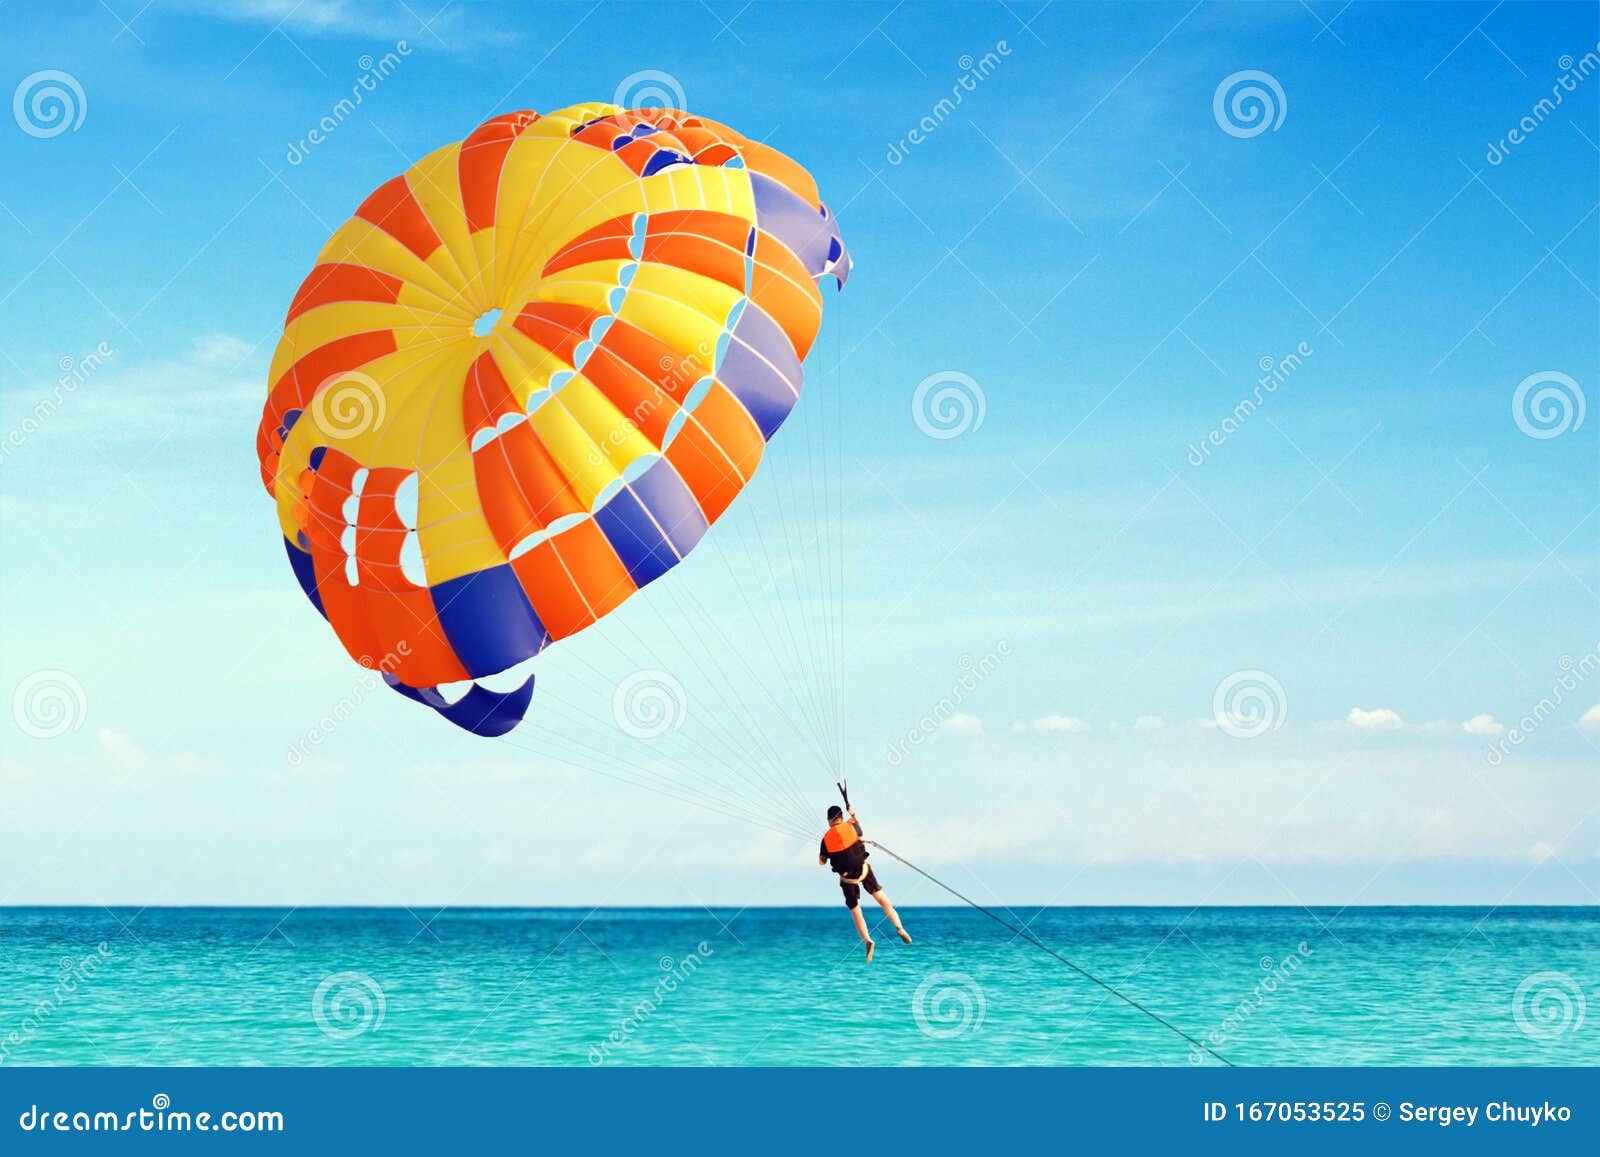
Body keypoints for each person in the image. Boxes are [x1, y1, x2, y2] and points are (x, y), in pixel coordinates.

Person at [818, 804, 911, 961]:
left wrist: (824, 854)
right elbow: (857, 826)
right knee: (882, 899)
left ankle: (868, 941)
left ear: (828, 821)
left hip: (848, 879)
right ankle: (899, 927)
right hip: (864, 871)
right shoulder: (851, 826)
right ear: (841, 817)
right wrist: (852, 813)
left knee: (856, 911)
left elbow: (822, 862)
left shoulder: (825, 840)